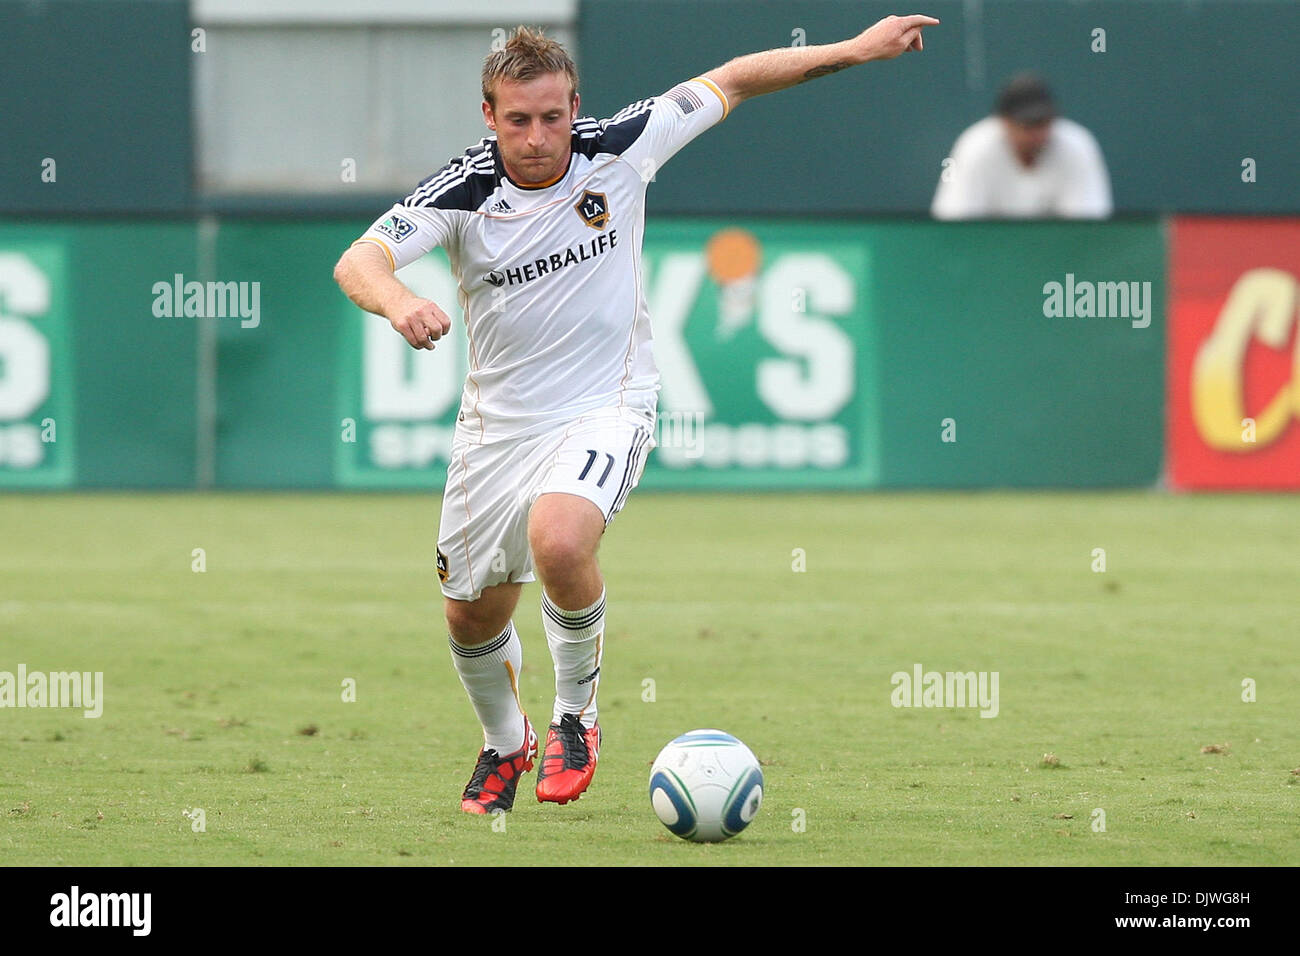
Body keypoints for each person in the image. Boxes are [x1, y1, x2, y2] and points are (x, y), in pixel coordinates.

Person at [333, 14, 940, 814]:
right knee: (470, 615)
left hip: (607, 403)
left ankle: (575, 716)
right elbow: (360, 260)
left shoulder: (622, 144)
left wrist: (855, 51)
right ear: (489, 115)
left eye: (553, 116)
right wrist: (400, 299)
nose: (539, 137)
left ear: (574, 104)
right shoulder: (463, 192)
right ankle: (504, 743)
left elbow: (735, 76)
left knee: (560, 535)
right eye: (518, 120)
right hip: (498, 428)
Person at [931, 72, 1111, 219]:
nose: (1037, 134)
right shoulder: (975, 146)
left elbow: (1088, 227)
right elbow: (955, 222)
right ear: (1004, 122)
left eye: (1043, 123)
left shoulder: (1077, 145)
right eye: (1027, 125)